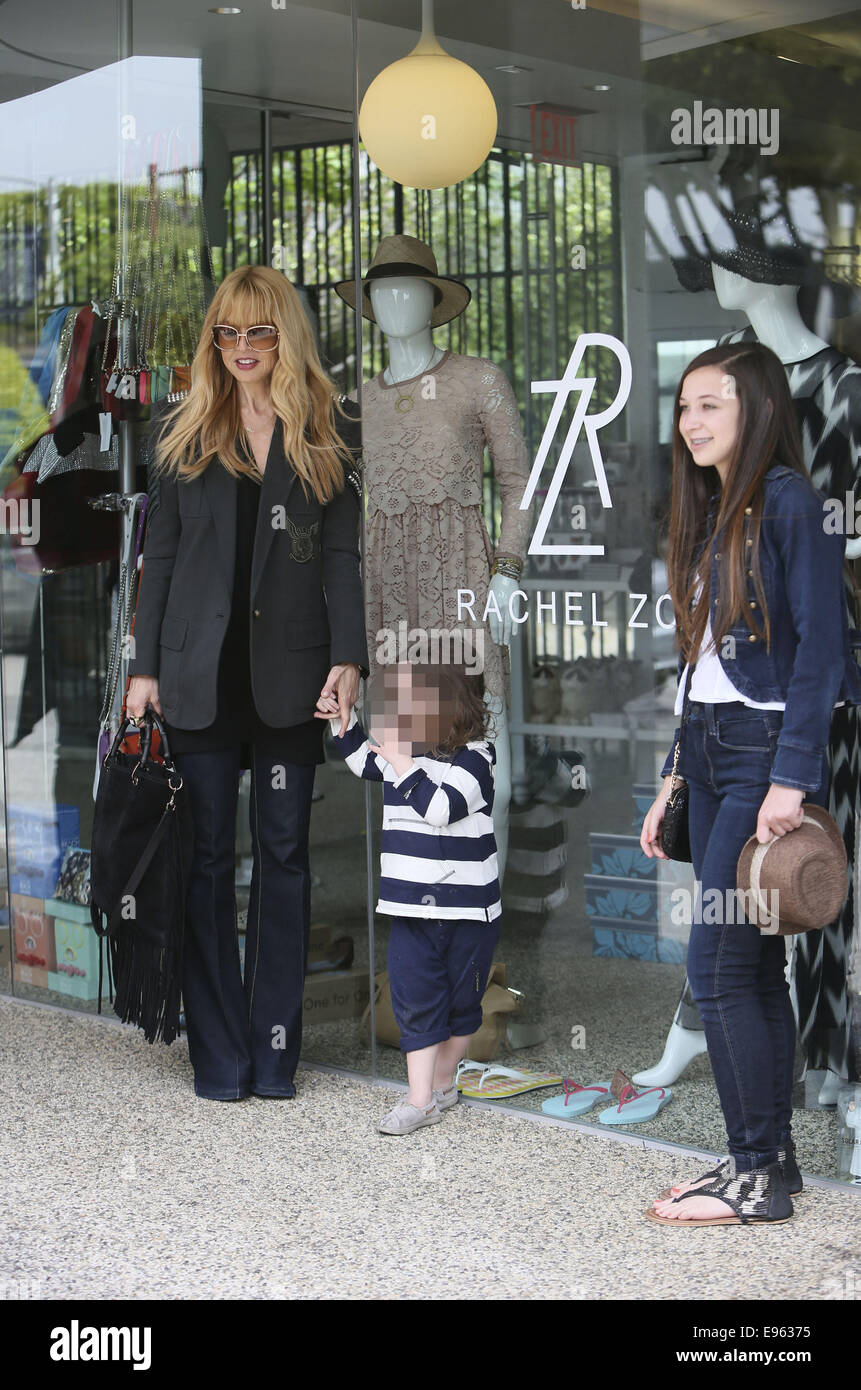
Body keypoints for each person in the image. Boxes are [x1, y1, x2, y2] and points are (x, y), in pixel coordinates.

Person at [126, 264, 368, 1101]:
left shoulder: (324, 427)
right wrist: (142, 669)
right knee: (202, 863)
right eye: (225, 333)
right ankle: (218, 1054)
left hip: (291, 675)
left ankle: (274, 1055)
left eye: (256, 332)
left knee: (285, 857)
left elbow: (342, 554)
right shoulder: (183, 429)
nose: (239, 348)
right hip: (198, 673)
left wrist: (349, 656)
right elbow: (156, 559)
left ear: (284, 336)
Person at [640, 341, 861, 1226]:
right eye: (684, 407)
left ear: (756, 409)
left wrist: (789, 777)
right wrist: (670, 779)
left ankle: (753, 1172)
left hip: (762, 757)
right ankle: (768, 1164)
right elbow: (700, 670)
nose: (690, 422)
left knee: (719, 962)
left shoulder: (788, 502)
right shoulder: (709, 509)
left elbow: (820, 655)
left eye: (709, 406)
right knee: (749, 969)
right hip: (714, 752)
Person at [317, 661, 500, 1135]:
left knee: (463, 1007)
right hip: (408, 907)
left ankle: (442, 1085)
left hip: (469, 911)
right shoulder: (404, 751)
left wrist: (402, 764)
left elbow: (440, 808)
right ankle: (419, 1099)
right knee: (415, 997)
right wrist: (344, 717)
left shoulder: (478, 758)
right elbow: (360, 758)